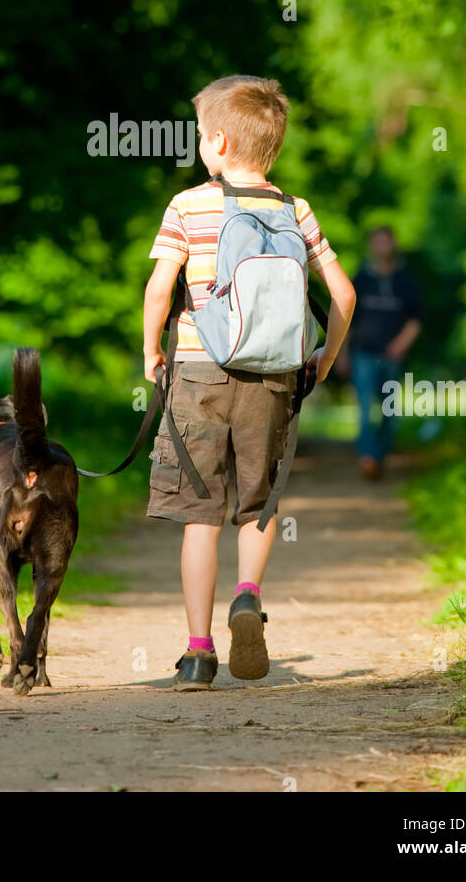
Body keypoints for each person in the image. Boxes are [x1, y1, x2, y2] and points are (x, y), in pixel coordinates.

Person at [142, 75, 356, 690]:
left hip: (198, 369)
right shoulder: (295, 210)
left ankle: (198, 652)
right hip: (274, 377)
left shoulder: (188, 205)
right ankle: (247, 596)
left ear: (219, 143)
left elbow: (161, 287)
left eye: (203, 138)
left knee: (199, 515)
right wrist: (322, 358)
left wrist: (150, 350)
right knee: (256, 506)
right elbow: (342, 294)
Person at [346, 227, 422, 480]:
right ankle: (368, 458)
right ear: (371, 245)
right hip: (363, 354)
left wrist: (402, 343)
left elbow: (416, 319)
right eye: (376, 242)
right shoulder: (361, 278)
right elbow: (347, 319)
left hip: (392, 357)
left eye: (385, 241)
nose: (381, 247)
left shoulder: (406, 279)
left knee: (389, 412)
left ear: (393, 244)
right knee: (366, 408)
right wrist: (341, 352)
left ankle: (379, 454)